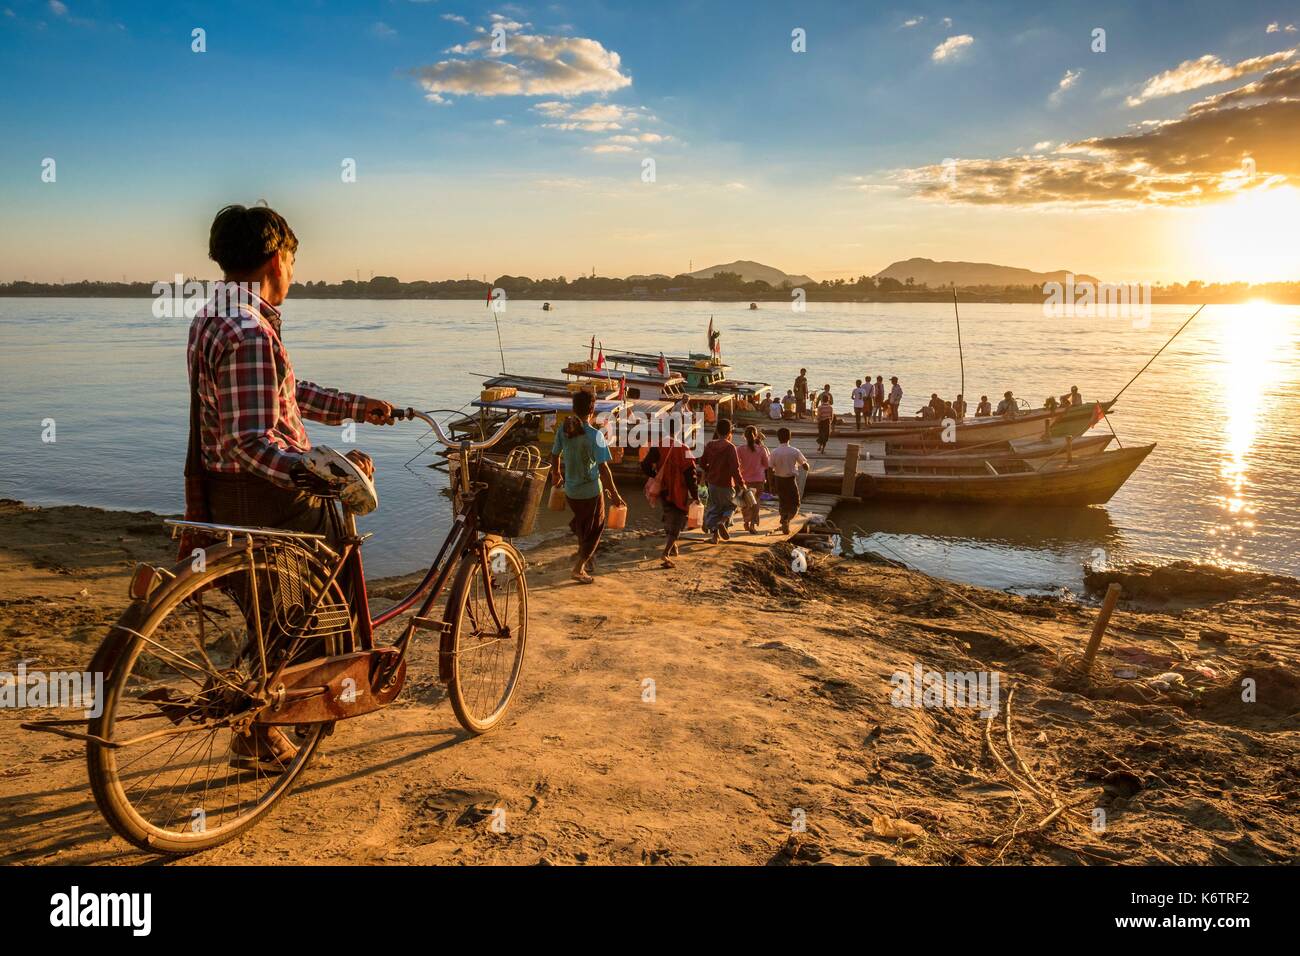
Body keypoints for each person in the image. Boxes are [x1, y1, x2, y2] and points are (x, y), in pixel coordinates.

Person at [185, 204, 398, 772]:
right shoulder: (252, 331)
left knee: (278, 617)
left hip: (226, 492)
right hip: (269, 497)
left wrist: (358, 407)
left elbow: (284, 394)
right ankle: (277, 722)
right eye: (294, 263)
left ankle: (272, 713)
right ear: (277, 259)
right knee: (318, 612)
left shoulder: (214, 317)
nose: (294, 276)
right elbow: (250, 442)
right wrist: (319, 473)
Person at [550, 389, 625, 584]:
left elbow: (554, 455)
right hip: (590, 492)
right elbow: (604, 469)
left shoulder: (563, 429)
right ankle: (578, 567)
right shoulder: (595, 435)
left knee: (584, 525)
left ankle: (585, 556)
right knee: (596, 528)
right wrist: (615, 494)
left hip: (571, 491)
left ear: (574, 409)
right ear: (592, 411)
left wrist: (556, 475)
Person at [651, 417, 699, 568]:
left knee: (668, 514)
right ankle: (665, 553)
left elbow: (645, 465)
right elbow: (691, 475)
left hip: (663, 488)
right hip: (679, 490)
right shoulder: (683, 448)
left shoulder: (658, 446)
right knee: (678, 521)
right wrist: (696, 495)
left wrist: (656, 476)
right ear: (679, 430)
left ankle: (672, 547)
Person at [699, 419, 745, 543]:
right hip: (726, 484)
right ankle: (722, 522)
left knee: (715, 508)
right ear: (730, 432)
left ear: (717, 431)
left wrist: (704, 478)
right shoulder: (730, 447)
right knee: (732, 505)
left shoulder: (709, 445)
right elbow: (735, 469)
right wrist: (742, 484)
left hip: (712, 484)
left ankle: (715, 537)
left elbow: (702, 464)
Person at [770, 427, 810, 535]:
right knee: (795, 503)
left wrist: (771, 485)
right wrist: (806, 466)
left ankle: (784, 517)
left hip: (778, 480)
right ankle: (787, 519)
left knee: (783, 502)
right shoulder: (795, 451)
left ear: (778, 438)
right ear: (790, 438)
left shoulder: (774, 452)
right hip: (790, 480)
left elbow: (769, 469)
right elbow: (805, 466)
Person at [736, 425, 771, 533]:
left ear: (744, 436)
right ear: (756, 436)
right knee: (756, 502)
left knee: (744, 503)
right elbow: (766, 465)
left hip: (745, 480)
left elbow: (736, 464)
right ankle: (752, 525)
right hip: (759, 480)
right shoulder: (762, 449)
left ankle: (746, 522)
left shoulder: (740, 449)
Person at [816, 385, 835, 453]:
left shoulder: (821, 395)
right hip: (827, 422)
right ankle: (823, 448)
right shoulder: (830, 407)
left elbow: (819, 416)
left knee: (821, 434)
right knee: (826, 435)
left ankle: (820, 446)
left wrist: (818, 422)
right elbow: (831, 416)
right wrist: (830, 422)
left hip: (821, 421)